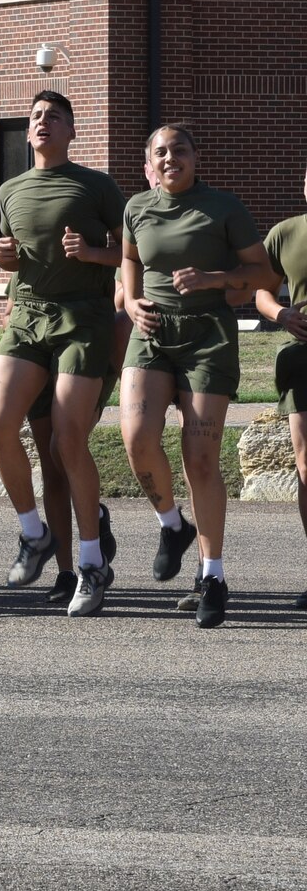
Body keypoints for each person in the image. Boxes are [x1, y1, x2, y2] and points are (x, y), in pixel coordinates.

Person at [119, 124, 273, 627]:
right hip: (152, 332)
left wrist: (216, 278)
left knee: (201, 457)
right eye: (161, 152)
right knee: (138, 438)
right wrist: (132, 296)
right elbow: (128, 257)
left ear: (194, 158)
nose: (170, 158)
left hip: (208, 335)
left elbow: (265, 275)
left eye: (179, 150)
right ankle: (172, 525)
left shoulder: (224, 207)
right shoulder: (137, 208)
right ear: (151, 162)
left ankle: (213, 576)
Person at [0, 92, 129, 615]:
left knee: (67, 444)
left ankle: (90, 564)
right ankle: (34, 534)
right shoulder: (9, 190)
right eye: (36, 117)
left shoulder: (96, 185)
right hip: (27, 318)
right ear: (27, 133)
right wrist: (3, 259)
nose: (43, 122)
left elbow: (129, 252)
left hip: (82, 319)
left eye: (55, 117)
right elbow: (11, 255)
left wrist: (93, 254)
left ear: (72, 131)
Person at [256, 163, 307, 610]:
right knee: (306, 465)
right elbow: (261, 292)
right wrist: (282, 315)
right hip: (302, 357)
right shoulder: (286, 233)